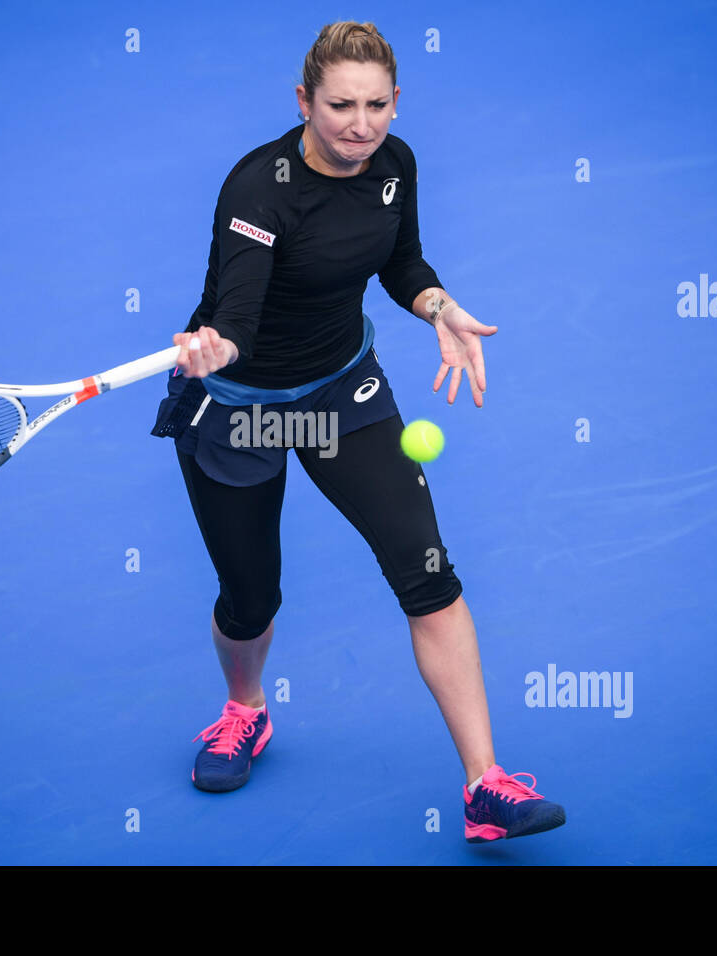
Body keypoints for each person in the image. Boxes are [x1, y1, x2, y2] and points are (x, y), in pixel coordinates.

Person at [151, 21, 566, 842]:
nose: (360, 125)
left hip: (344, 393)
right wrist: (211, 350)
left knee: (428, 571)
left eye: (377, 105)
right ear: (304, 101)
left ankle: (485, 785)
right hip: (238, 407)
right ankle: (245, 709)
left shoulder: (395, 163)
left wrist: (437, 306)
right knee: (250, 598)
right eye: (340, 105)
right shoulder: (257, 190)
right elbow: (236, 317)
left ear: (396, 102)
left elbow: (400, 260)